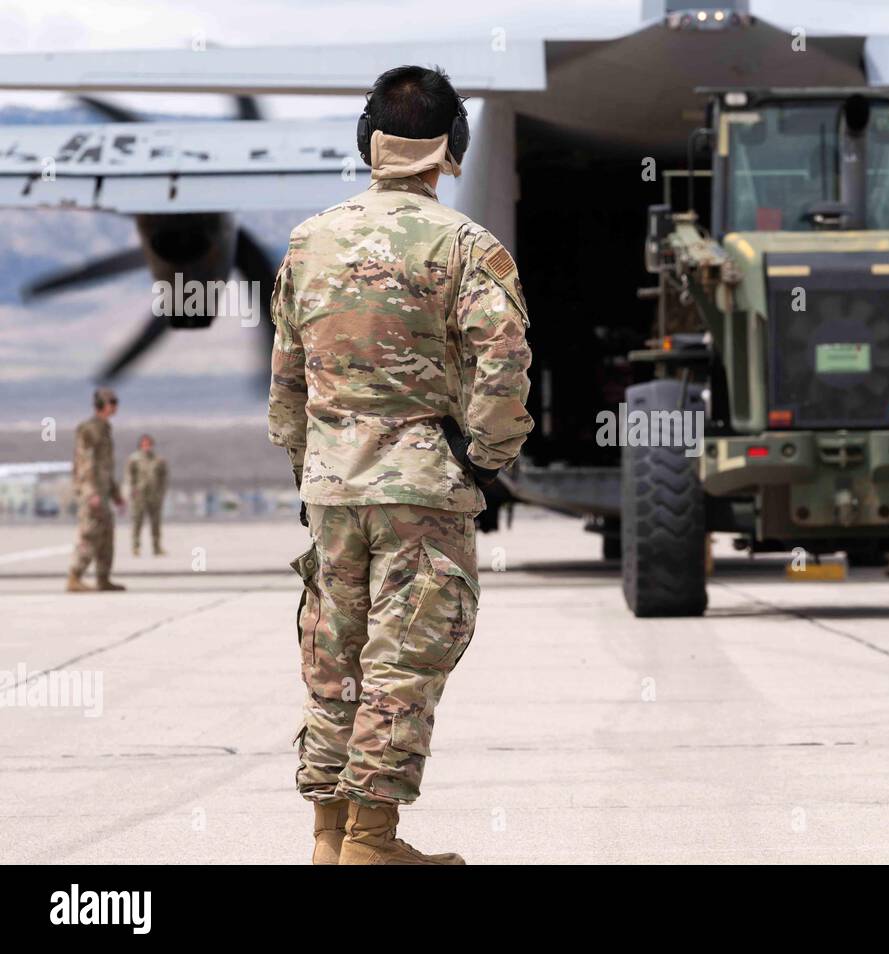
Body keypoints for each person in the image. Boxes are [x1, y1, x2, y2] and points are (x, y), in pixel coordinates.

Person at [268, 65, 533, 865]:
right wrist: (486, 458)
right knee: (402, 664)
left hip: (333, 488)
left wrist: (308, 467)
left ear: (367, 140)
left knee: (334, 660)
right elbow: (506, 361)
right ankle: (371, 844)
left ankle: (328, 838)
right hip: (423, 488)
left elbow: (285, 379)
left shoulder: (309, 241)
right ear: (451, 146)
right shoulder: (469, 248)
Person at [67, 387, 125, 592]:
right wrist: (90, 492)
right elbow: (86, 463)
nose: (116, 406)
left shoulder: (105, 429)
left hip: (102, 491)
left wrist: (116, 494)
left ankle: (103, 578)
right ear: (102, 405)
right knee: (90, 533)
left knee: (106, 535)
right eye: (112, 402)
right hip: (91, 492)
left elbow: (105, 468)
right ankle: (75, 576)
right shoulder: (90, 429)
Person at [125, 434, 169, 556]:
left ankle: (157, 547)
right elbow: (129, 476)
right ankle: (135, 547)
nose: (147, 447)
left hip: (154, 495)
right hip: (139, 495)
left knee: (156, 523)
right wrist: (131, 491)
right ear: (140, 445)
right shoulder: (134, 459)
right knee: (137, 522)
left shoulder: (159, 460)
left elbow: (164, 478)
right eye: (144, 444)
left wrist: (162, 492)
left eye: (149, 444)